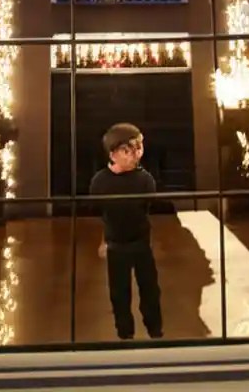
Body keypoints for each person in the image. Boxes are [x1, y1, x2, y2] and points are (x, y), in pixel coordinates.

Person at [89, 123, 162, 340]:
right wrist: (103, 240)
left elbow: (146, 208)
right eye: (127, 150)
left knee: (150, 290)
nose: (134, 155)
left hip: (141, 243)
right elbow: (101, 213)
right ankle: (125, 335)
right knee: (119, 294)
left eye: (138, 147)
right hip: (116, 245)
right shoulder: (100, 182)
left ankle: (156, 332)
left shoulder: (145, 179)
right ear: (113, 154)